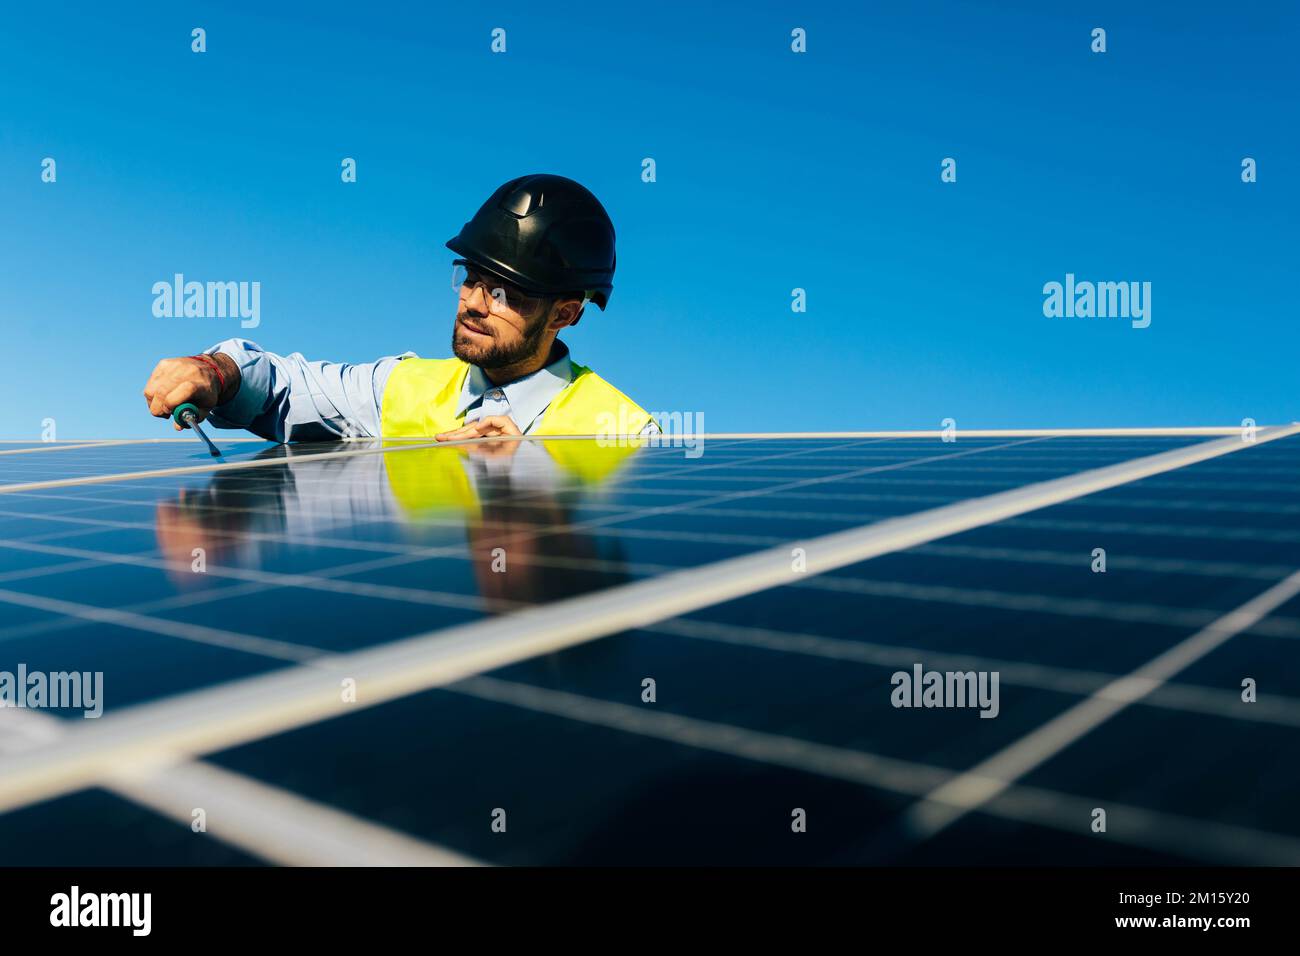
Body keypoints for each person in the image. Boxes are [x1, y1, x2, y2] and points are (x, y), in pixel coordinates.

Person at [141, 174, 657, 442]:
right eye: (471, 279)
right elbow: (284, 387)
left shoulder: (626, 433)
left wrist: (535, 477)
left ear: (566, 313)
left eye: (505, 293)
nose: (475, 303)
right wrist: (216, 371)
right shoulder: (402, 388)